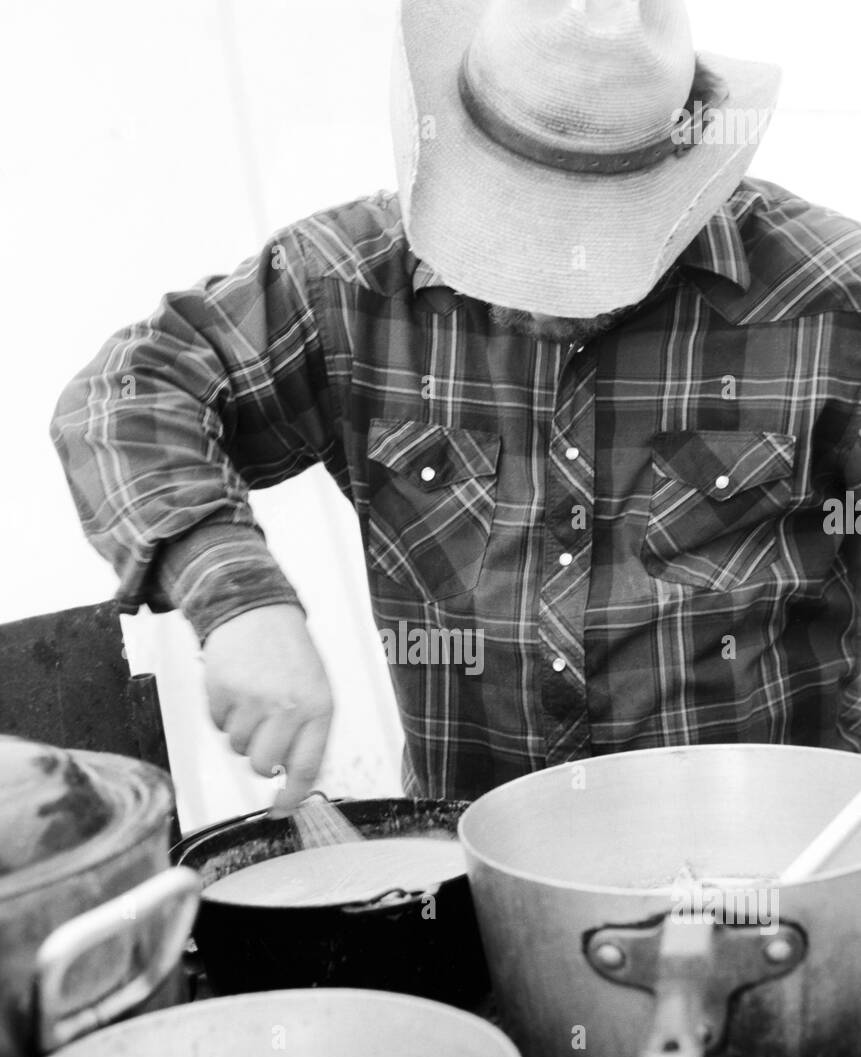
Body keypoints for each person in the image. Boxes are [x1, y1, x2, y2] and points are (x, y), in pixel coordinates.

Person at [51, 0, 861, 810]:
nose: (554, 275)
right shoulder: (351, 283)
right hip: (469, 866)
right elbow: (129, 391)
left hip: (777, 869)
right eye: (517, 226)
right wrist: (236, 599)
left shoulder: (828, 298)